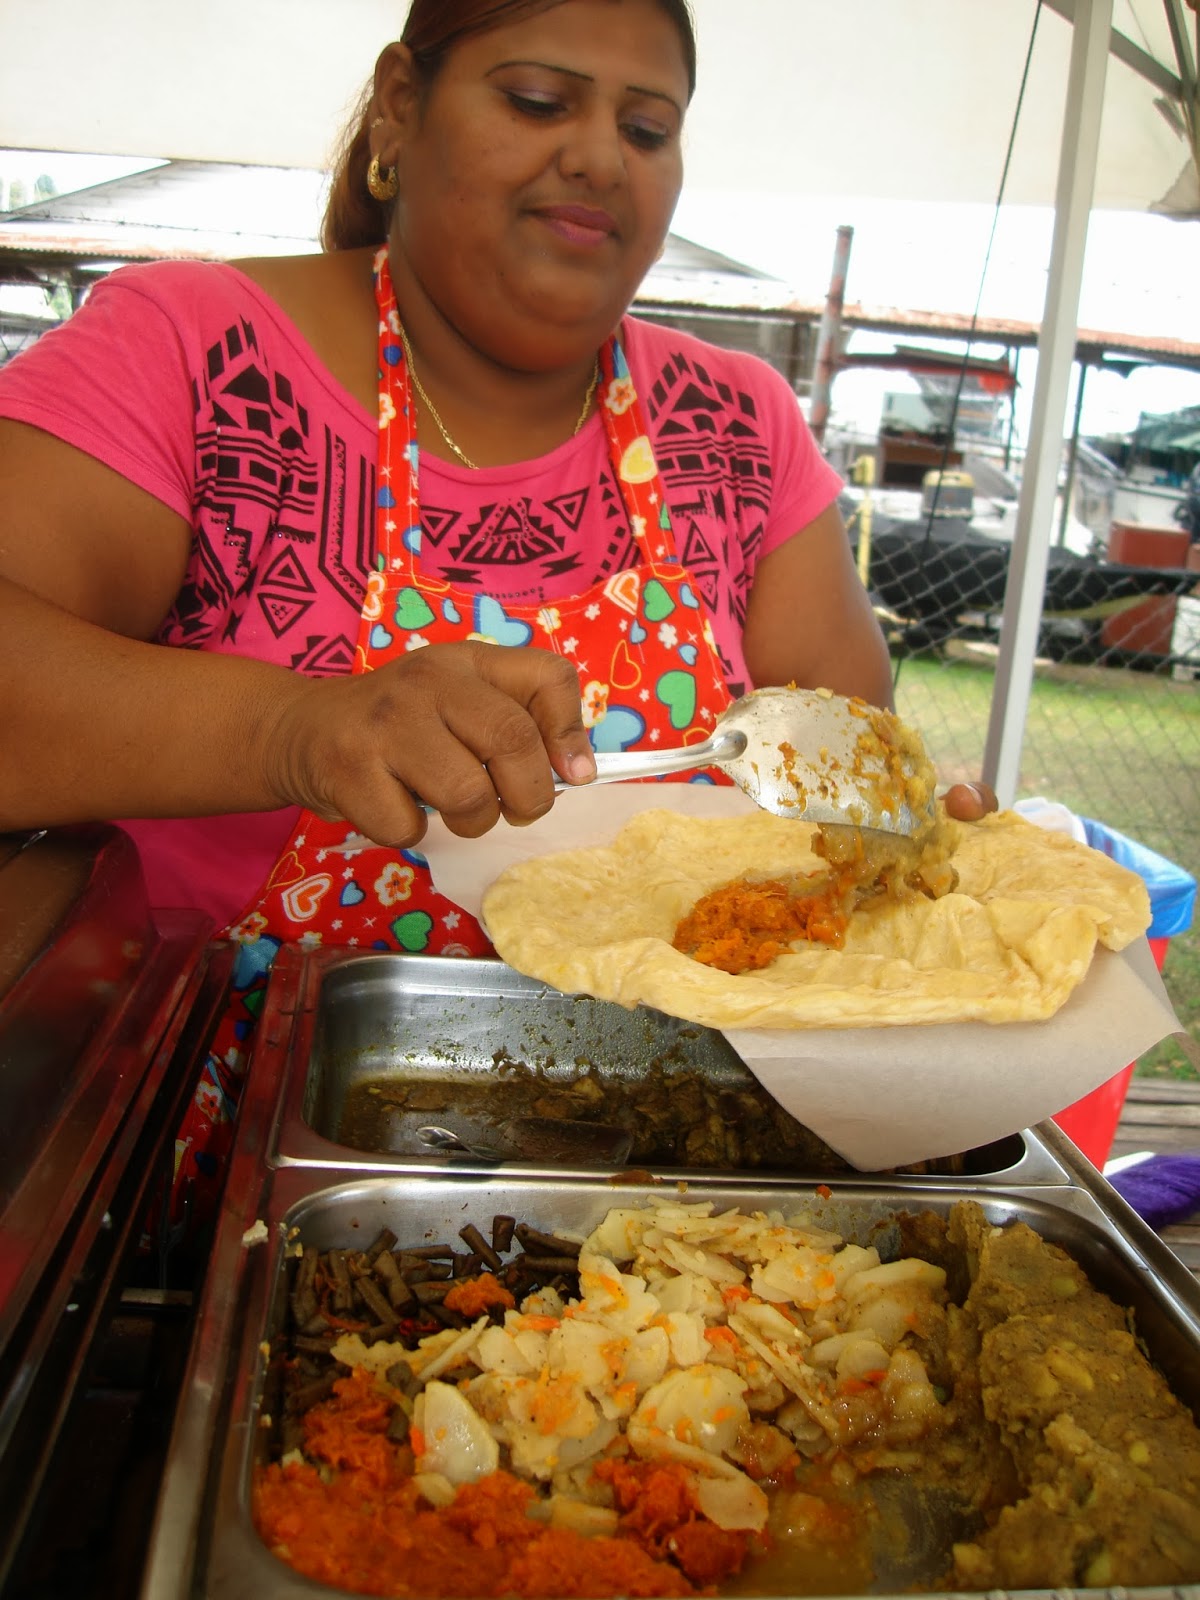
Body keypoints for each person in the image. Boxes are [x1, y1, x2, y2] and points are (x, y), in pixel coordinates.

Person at [0, 0, 992, 1244]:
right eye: (538, 101)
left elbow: (844, 783)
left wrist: (925, 859)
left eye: (648, 126)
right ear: (400, 108)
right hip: (240, 1178)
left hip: (676, 1179)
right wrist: (299, 727)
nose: (599, 155)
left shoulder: (738, 427)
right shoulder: (195, 355)